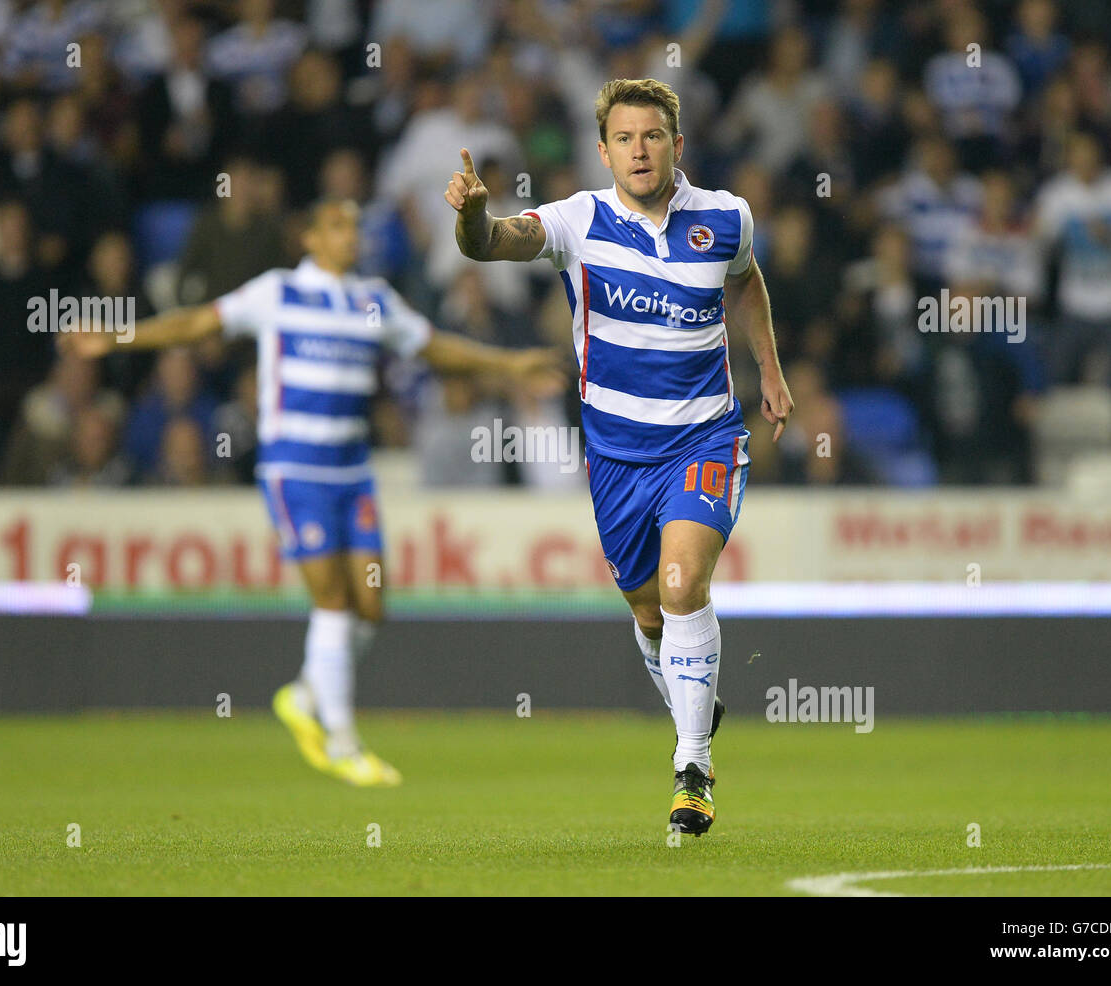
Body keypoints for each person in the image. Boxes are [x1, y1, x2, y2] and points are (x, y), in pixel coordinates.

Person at [70, 197, 561, 786]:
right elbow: (197, 323)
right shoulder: (277, 293)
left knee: (371, 606)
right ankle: (344, 743)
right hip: (295, 471)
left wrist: (508, 366)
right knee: (331, 601)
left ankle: (305, 695)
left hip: (351, 471)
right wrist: (119, 338)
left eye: (354, 228)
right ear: (309, 239)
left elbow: (433, 346)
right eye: (336, 228)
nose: (350, 237)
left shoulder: (373, 301)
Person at [446, 78, 793, 835]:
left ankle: (692, 767)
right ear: (603, 152)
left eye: (654, 137)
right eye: (626, 140)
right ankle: (692, 697)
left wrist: (768, 367)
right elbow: (494, 242)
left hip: (703, 437)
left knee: (681, 580)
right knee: (648, 608)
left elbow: (747, 283)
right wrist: (474, 217)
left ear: (677, 144)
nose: (641, 151)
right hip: (615, 456)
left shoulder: (726, 218)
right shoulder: (579, 220)